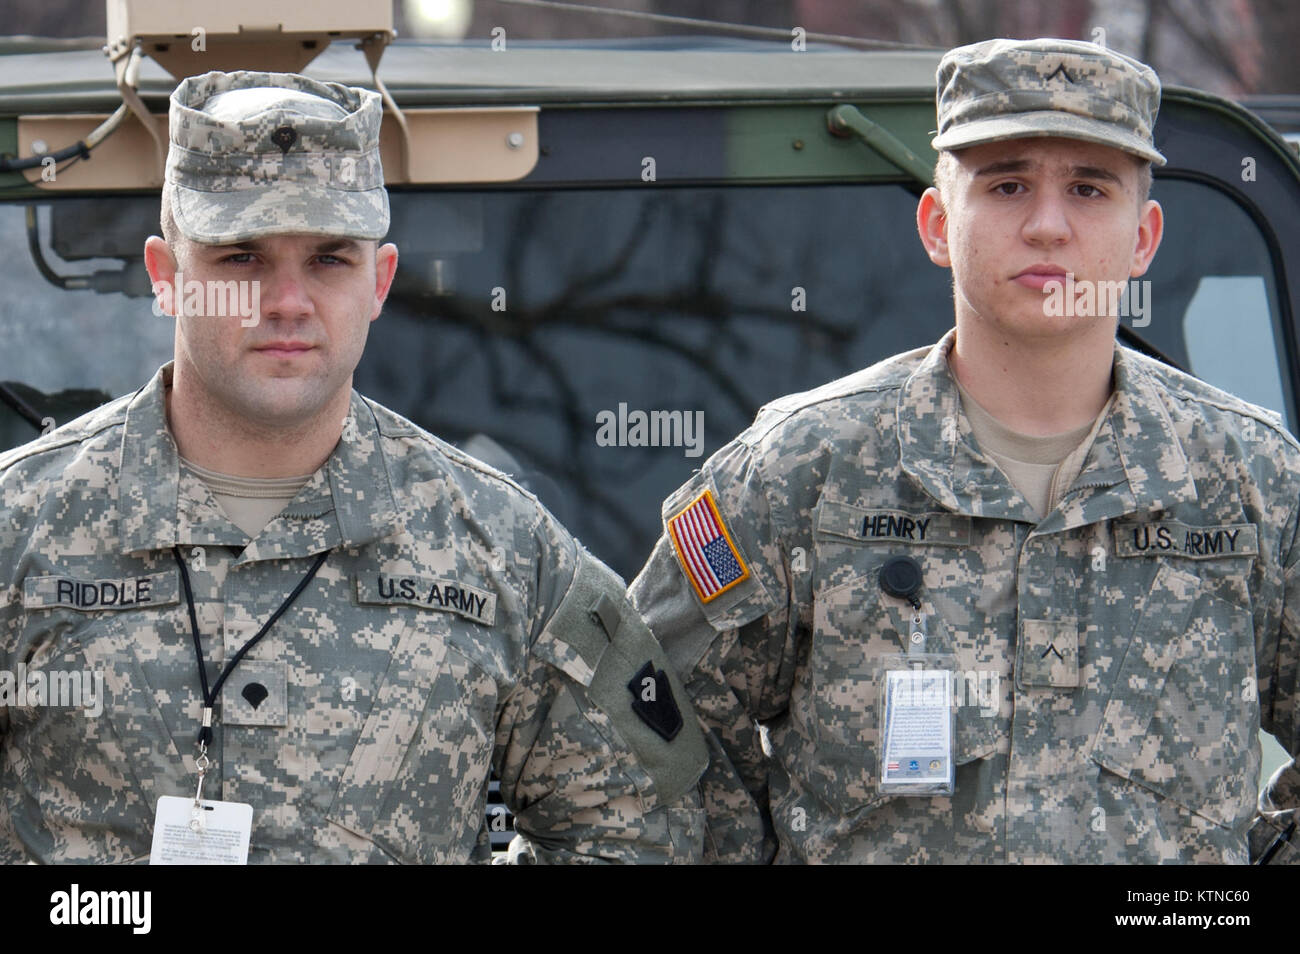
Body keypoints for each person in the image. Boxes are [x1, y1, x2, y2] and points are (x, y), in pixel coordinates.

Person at [0, 70, 706, 864]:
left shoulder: (504, 551)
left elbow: (645, 827)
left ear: (380, 282)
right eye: (241, 257)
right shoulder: (21, 527)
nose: (288, 300)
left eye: (330, 259)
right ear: (167, 278)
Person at [628, 37, 1299, 863]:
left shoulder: (1255, 483)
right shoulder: (802, 472)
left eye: (1090, 188)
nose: (1048, 225)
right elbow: (639, 733)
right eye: (1007, 184)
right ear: (940, 224)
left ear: (1142, 239)